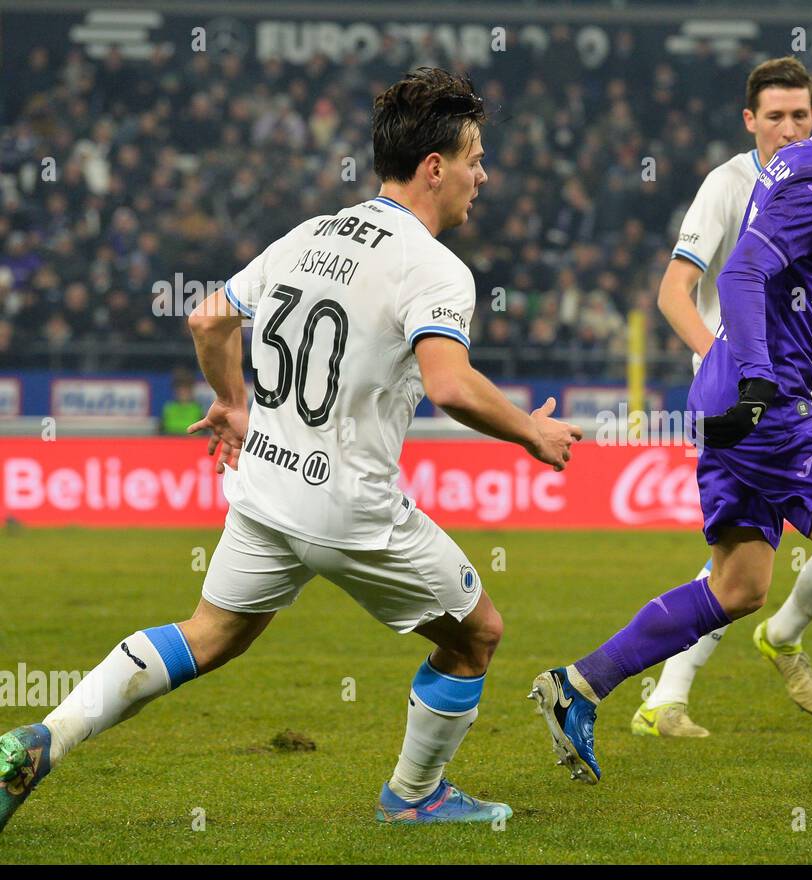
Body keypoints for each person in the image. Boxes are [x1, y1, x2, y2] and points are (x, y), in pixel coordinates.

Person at [0, 68, 582, 834]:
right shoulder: (437, 269)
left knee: (209, 634)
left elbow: (209, 320)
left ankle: (45, 736)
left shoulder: (307, 234)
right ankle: (414, 795)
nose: (485, 174)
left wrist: (234, 403)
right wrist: (533, 431)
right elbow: (450, 384)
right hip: (352, 509)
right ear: (434, 167)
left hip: (268, 489)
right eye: (476, 157)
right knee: (478, 634)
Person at [530, 32, 812, 821]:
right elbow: (741, 272)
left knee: (740, 585)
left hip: (729, 407)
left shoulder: (805, 169)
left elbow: (803, 262)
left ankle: (578, 684)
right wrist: (764, 380)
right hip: (766, 410)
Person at [634, 57, 812, 738]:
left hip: (803, 391)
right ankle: (671, 691)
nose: (789, 126)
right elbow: (674, 290)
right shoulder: (727, 185)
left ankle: (780, 634)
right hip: (750, 394)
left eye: (800, 114)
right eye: (774, 116)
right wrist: (725, 360)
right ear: (750, 120)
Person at [160, 368, 205, 436]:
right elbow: (161, 431)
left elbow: (204, 432)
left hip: (193, 443)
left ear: (191, 390)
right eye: (180, 389)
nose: (183, 392)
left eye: (186, 389)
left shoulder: (197, 408)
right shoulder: (169, 407)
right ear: (175, 391)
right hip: (172, 442)